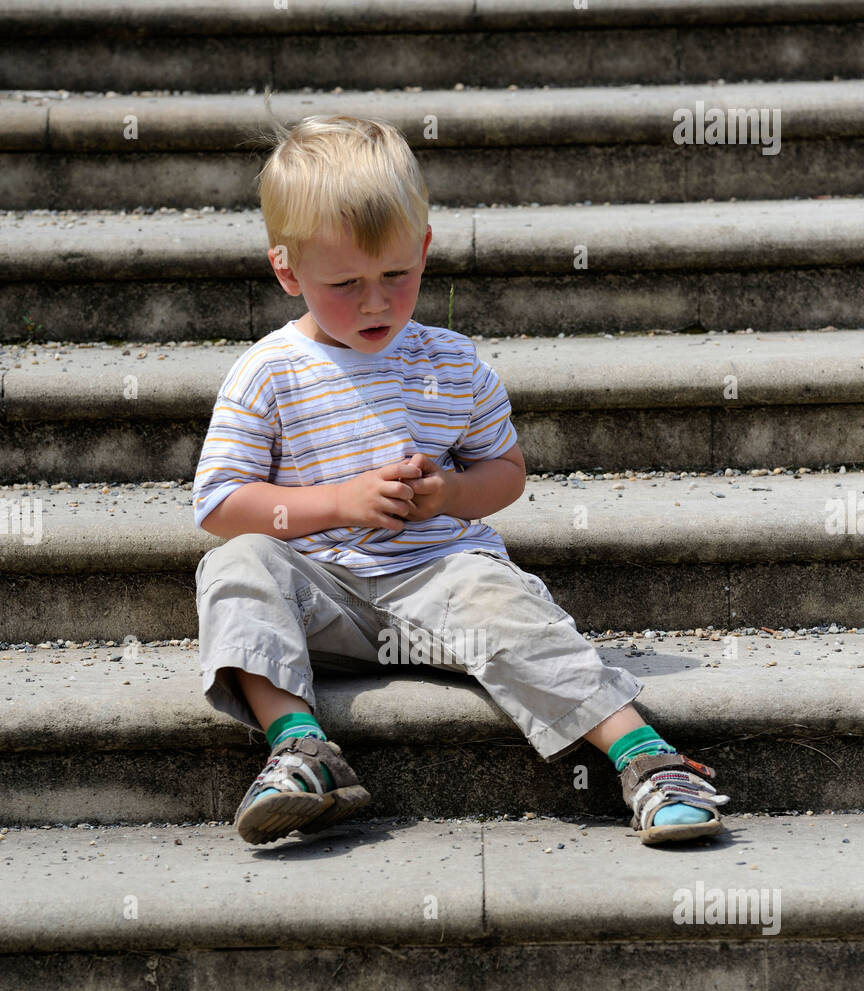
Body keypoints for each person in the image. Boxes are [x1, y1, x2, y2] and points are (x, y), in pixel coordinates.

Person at [192, 114, 729, 847]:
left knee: (500, 597)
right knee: (236, 565)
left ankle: (647, 760)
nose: (376, 303)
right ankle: (299, 750)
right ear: (288, 272)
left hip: (440, 582)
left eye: (397, 276)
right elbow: (222, 504)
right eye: (345, 284)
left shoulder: (450, 363)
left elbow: (505, 472)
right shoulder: (268, 371)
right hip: (321, 597)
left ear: (424, 249)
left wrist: (449, 493)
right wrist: (338, 504)